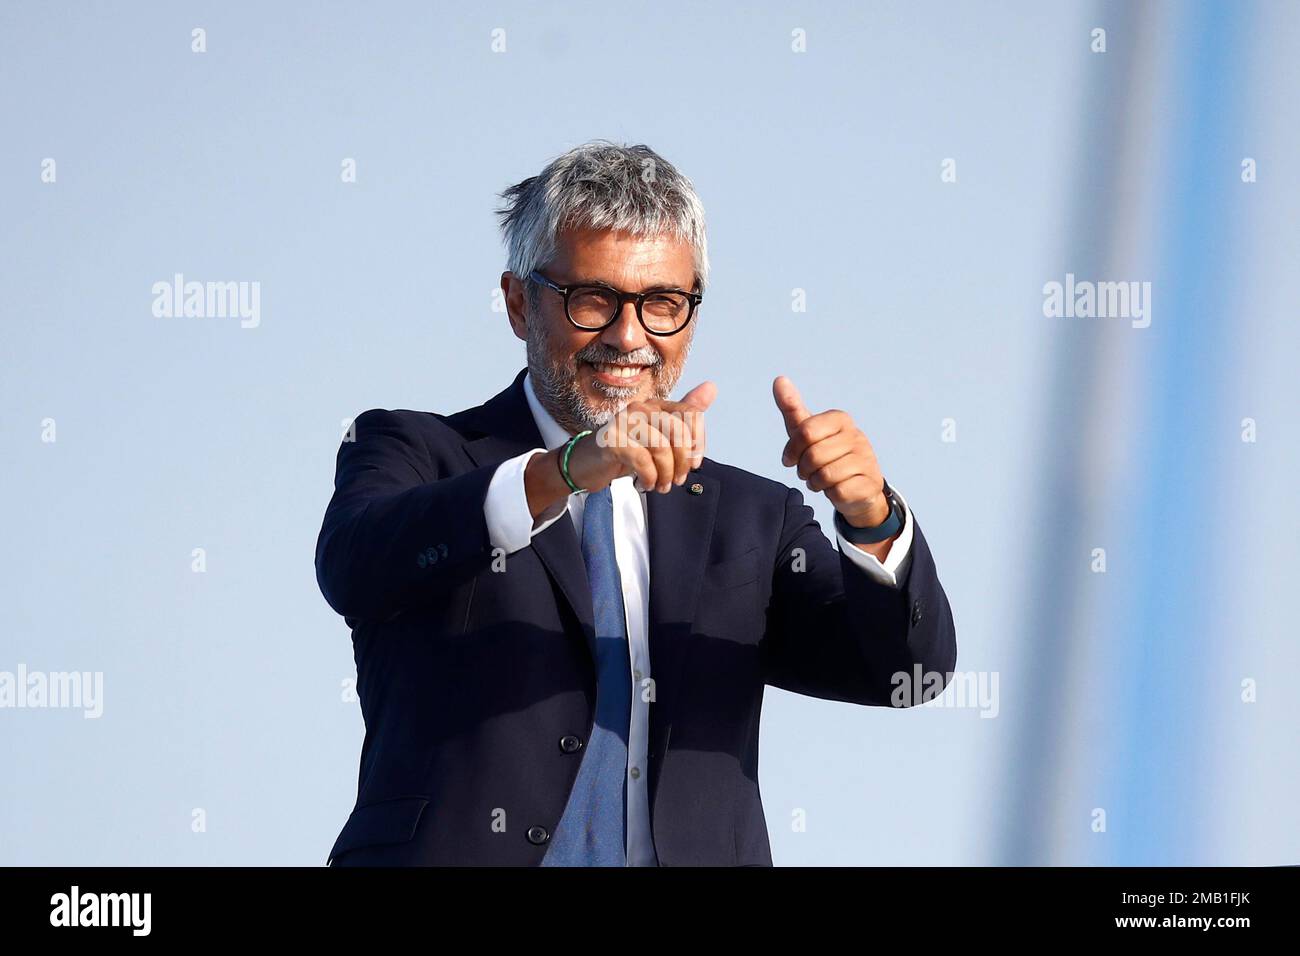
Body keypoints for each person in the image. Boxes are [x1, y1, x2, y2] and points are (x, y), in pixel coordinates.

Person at [317, 141, 956, 866]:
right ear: (519, 302)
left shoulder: (751, 518)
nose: (629, 337)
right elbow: (355, 564)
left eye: (662, 304)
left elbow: (909, 676)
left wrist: (871, 518)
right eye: (593, 299)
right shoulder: (418, 451)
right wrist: (565, 470)